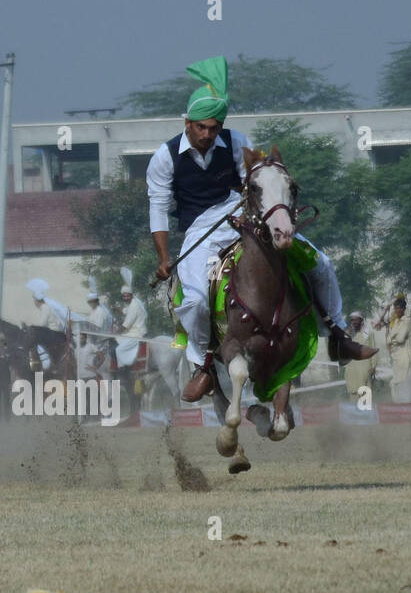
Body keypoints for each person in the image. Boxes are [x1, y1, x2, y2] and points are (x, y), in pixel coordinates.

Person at [147, 55, 372, 402]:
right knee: (192, 302)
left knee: (321, 265)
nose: (208, 134)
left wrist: (254, 213)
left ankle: (339, 336)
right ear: (187, 122)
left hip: (245, 218)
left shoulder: (237, 142)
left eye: (214, 127)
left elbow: (255, 183)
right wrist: (164, 258)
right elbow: (158, 210)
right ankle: (203, 364)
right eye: (201, 127)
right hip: (199, 231)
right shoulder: (164, 157)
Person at [382, 296, 411, 402]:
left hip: (405, 355)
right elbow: (387, 340)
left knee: (404, 382)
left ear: (404, 309)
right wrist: (391, 339)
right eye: (396, 308)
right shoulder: (395, 322)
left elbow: (400, 339)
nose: (397, 310)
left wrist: (392, 339)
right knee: (395, 383)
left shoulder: (407, 321)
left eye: (400, 308)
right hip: (396, 356)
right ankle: (398, 407)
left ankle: (406, 409)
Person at [343, 312, 377, 398]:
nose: (354, 322)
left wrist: (373, 366)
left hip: (365, 369)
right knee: (353, 395)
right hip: (351, 370)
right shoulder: (348, 334)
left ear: (361, 320)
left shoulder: (368, 333)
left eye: (356, 319)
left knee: (365, 395)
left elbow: (373, 350)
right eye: (352, 320)